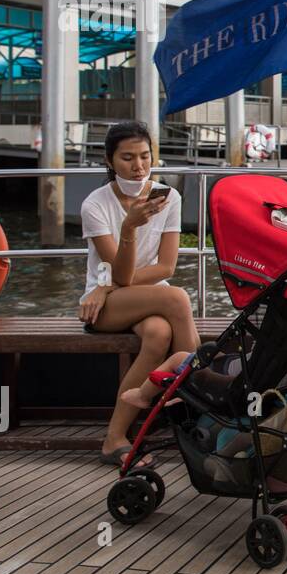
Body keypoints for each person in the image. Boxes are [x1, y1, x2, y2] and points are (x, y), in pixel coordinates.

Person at [79, 120, 198, 466]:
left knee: (159, 333)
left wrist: (108, 286)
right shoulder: (95, 205)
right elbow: (121, 270)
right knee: (177, 298)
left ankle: (114, 437)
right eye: (128, 157)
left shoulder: (168, 196)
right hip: (105, 306)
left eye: (145, 156)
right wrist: (129, 227)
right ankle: (196, 391)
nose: (139, 166)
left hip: (124, 292)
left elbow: (166, 268)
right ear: (110, 160)